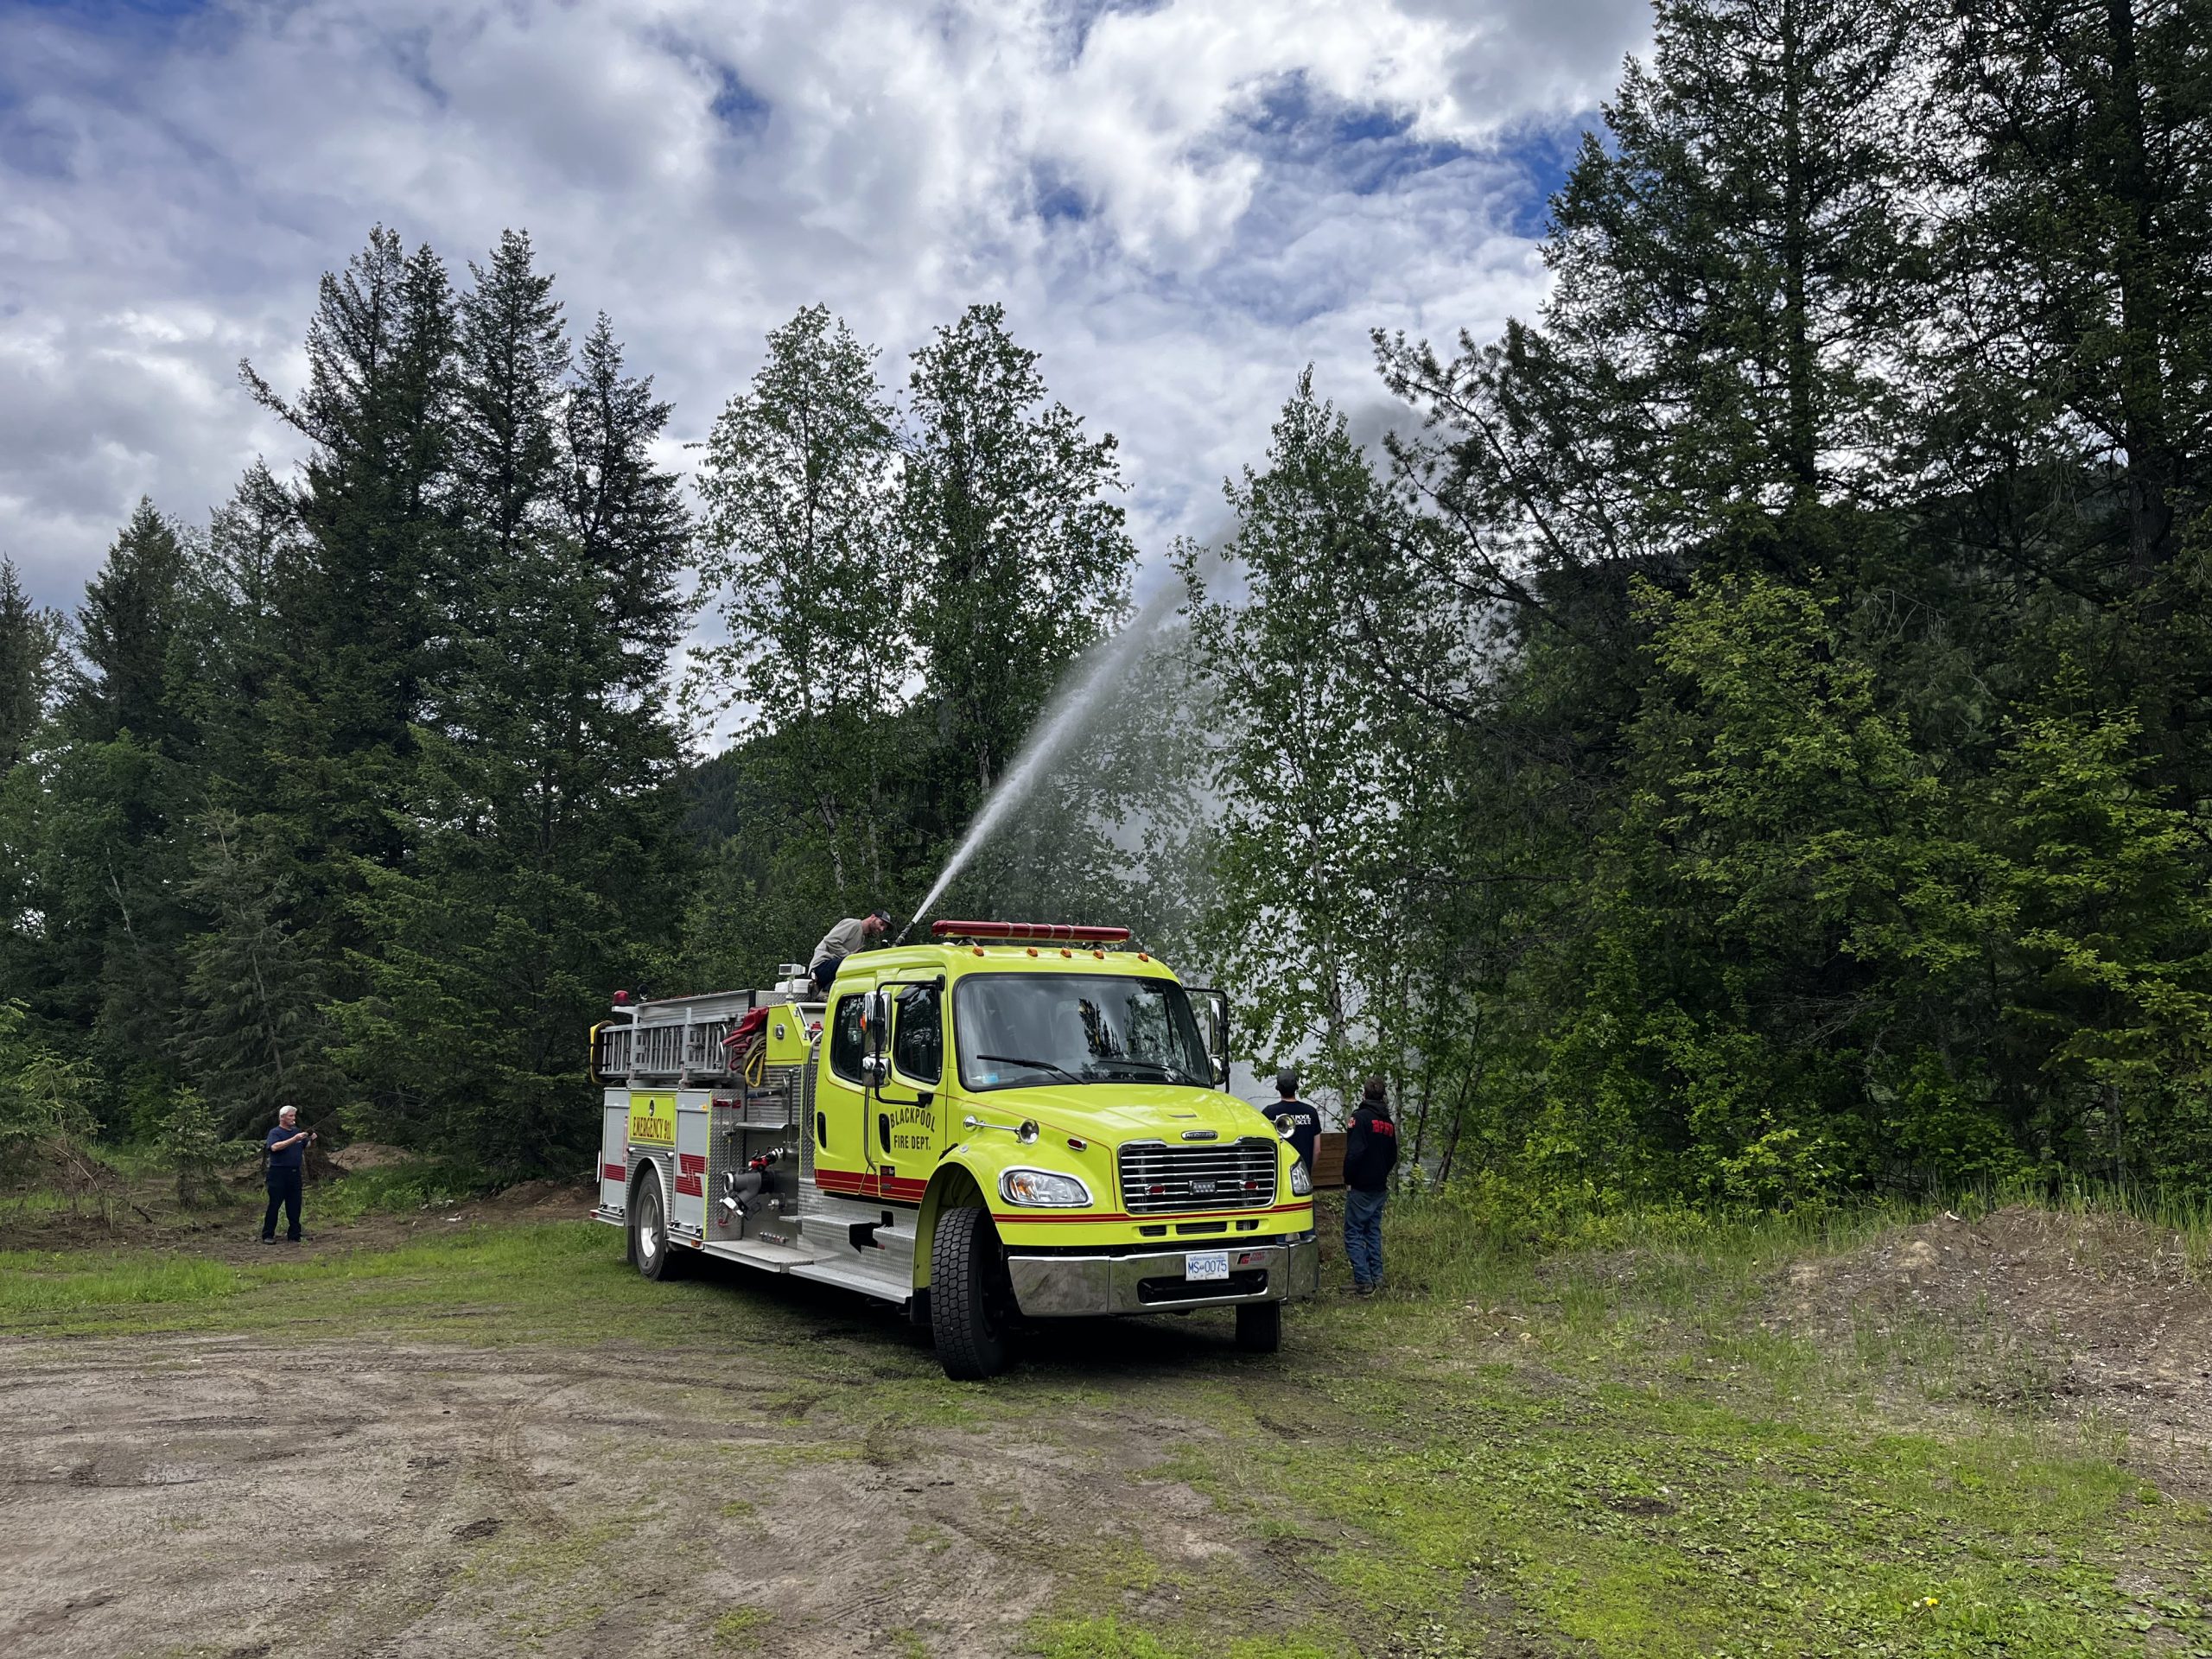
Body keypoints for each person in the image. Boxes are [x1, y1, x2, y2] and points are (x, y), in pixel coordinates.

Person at [1342, 1075, 1398, 1294]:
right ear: (1383, 1096)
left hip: (1362, 1185)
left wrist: (1348, 1177)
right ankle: (1378, 1277)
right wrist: (1381, 1172)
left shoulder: (1360, 1118)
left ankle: (1363, 1280)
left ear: (1364, 1094)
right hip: (1379, 1186)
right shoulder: (1388, 1123)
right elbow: (1393, 1155)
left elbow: (1354, 1153)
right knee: (1373, 1231)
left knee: (1353, 1232)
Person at [261, 1104, 315, 1245]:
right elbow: (274, 1147)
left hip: (294, 1173)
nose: (293, 1119)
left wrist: (311, 1139)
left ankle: (295, 1234)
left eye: (294, 1116)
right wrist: (294, 1139)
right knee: (275, 1204)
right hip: (278, 1173)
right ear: (282, 1117)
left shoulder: (296, 1131)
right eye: (291, 1116)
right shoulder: (275, 1132)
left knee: (295, 1204)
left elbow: (305, 1145)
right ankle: (268, 1234)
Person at [810, 908, 892, 996]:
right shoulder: (853, 924)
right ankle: (826, 991)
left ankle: (828, 993)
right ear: (872, 917)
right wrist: (850, 957)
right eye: (881, 924)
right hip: (821, 966)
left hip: (833, 969)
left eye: (884, 928)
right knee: (854, 965)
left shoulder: (862, 938)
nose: (882, 929)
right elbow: (830, 940)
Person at [1267, 1066, 1320, 1177]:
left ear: (1278, 1088)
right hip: (1303, 1174)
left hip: (1280, 1175)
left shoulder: (1269, 1113)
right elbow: (1317, 1150)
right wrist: (1307, 1170)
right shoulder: (1311, 1112)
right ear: (1296, 1087)